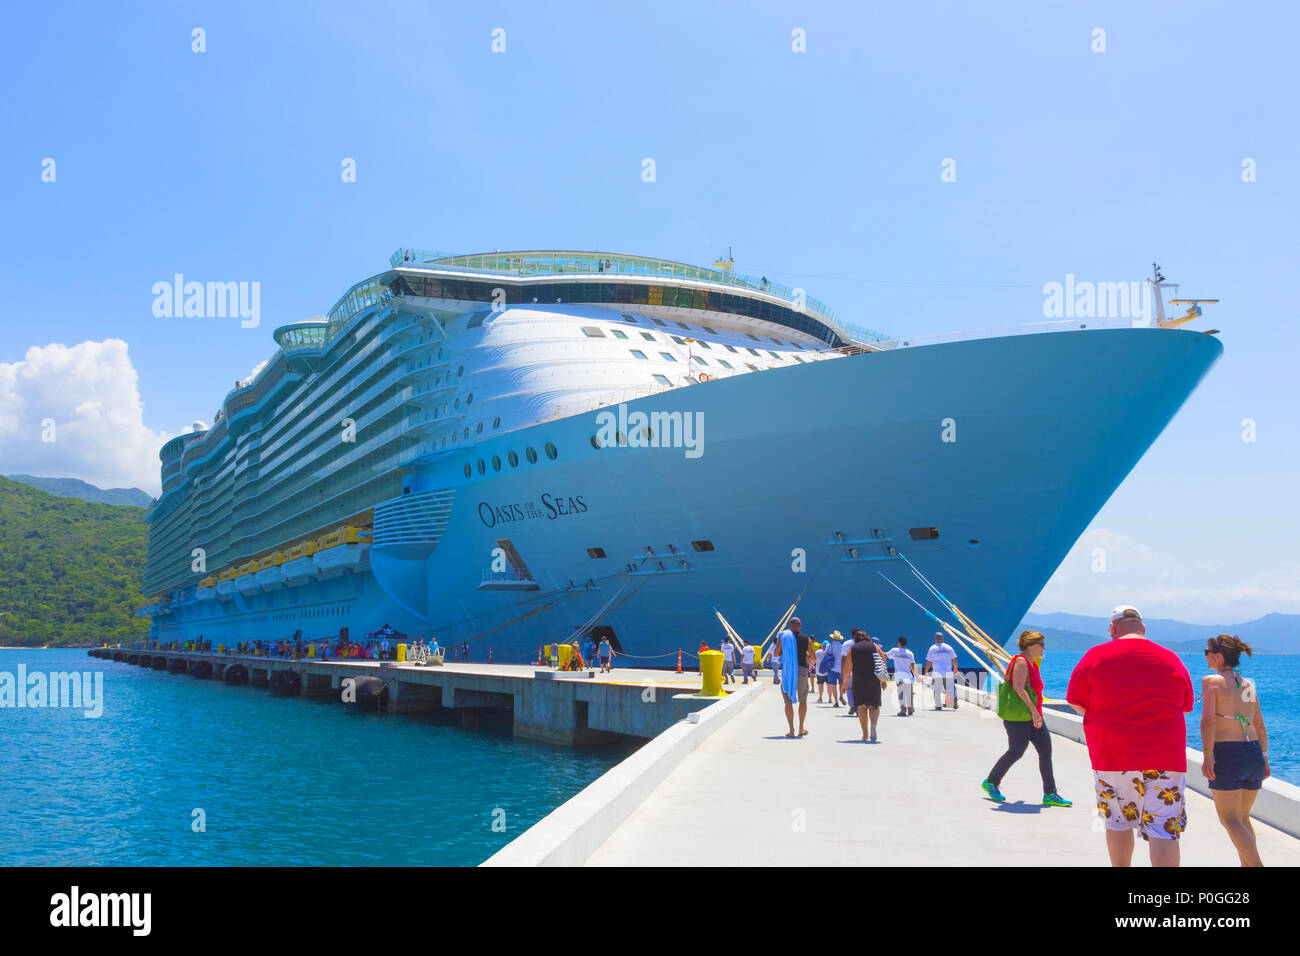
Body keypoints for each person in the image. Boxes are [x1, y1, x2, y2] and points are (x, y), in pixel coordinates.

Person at [1067, 605, 1194, 867]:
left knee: (1118, 822)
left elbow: (1077, 701)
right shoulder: (1171, 658)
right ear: (1143, 628)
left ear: (1113, 628)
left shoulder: (1096, 656)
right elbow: (1185, 705)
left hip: (1113, 756)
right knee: (1163, 829)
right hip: (1166, 758)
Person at [981, 631, 1072, 807]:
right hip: (1020, 717)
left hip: (1033, 715)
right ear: (1030, 646)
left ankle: (1050, 794)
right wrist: (1034, 712)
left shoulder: (1032, 663)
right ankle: (991, 782)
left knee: (1045, 753)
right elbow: (1018, 688)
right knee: (1016, 751)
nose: (1044, 648)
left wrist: (1036, 713)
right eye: (1041, 644)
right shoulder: (1021, 662)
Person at [1201, 634, 1269, 867]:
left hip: (1228, 755)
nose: (1206, 656)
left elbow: (1208, 722)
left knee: (1229, 819)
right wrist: (1265, 758)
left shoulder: (1212, 681)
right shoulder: (1248, 684)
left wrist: (1208, 756)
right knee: (1241, 818)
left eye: (1207, 652)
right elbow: (1259, 724)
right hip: (1253, 754)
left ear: (1219, 656)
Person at [842, 630, 887, 741]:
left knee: (861, 706)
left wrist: (844, 683)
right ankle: (873, 726)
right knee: (874, 706)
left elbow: (848, 666)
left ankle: (865, 734)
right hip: (874, 680)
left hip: (859, 680)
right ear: (867, 637)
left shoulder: (853, 648)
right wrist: (884, 680)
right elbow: (883, 661)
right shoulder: (875, 646)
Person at [775, 616, 811, 737]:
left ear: (790, 626)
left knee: (788, 701)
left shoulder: (783, 637)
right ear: (800, 626)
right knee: (803, 700)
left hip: (788, 671)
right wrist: (806, 659)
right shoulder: (807, 639)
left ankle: (791, 730)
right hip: (801, 670)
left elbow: (776, 653)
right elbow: (813, 657)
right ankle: (801, 728)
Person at [924, 632, 959, 710]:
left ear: (935, 639)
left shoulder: (932, 648)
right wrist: (955, 668)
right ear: (942, 639)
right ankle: (954, 699)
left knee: (937, 689)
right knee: (950, 687)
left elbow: (929, 661)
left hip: (937, 672)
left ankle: (938, 705)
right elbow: (954, 658)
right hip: (948, 672)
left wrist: (926, 670)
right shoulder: (949, 647)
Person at [887, 637, 917, 716]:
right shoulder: (910, 653)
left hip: (899, 676)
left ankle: (903, 710)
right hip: (908, 676)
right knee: (909, 694)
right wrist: (917, 676)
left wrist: (878, 650)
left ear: (899, 643)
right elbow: (913, 665)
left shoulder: (894, 651)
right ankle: (911, 709)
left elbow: (886, 656)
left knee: (901, 694)